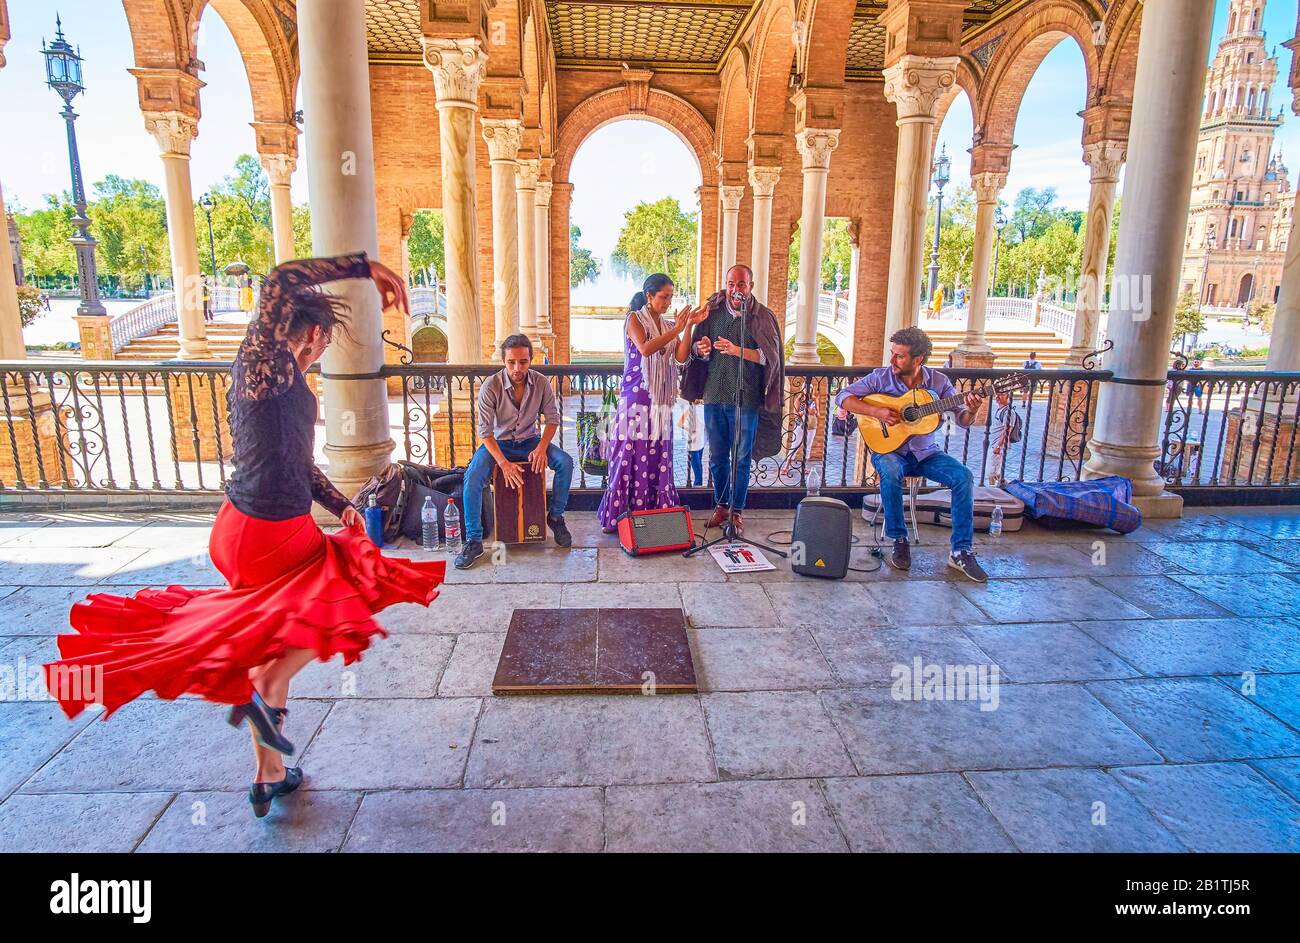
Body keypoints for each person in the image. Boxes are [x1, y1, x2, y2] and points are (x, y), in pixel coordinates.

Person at [42, 253, 446, 817]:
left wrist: (341, 506)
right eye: (325, 341)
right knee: (350, 581)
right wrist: (366, 267)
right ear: (312, 334)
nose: (323, 351)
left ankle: (268, 772)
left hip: (245, 527)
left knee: (269, 642)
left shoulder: (281, 383)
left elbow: (299, 464)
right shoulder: (264, 365)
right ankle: (263, 693)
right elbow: (281, 279)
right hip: (270, 532)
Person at [834, 325, 989, 582]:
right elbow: (843, 397)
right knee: (891, 470)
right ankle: (899, 539)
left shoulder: (939, 383)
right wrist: (877, 412)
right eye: (892, 353)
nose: (892, 360)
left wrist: (972, 410)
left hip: (925, 453)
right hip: (889, 450)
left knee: (963, 476)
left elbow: (962, 420)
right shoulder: (880, 378)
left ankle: (960, 551)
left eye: (899, 356)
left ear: (918, 360)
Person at [680, 264, 784, 537]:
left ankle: (737, 511)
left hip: (746, 399)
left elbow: (770, 357)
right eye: (731, 284)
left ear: (751, 286)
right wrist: (700, 349)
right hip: (714, 396)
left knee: (741, 459)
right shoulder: (712, 313)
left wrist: (738, 350)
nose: (735, 289)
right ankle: (721, 505)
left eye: (741, 284)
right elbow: (696, 351)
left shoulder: (762, 317)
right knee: (717, 457)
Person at [596, 274, 705, 532]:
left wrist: (688, 326)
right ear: (649, 296)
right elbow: (645, 349)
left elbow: (680, 358)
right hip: (636, 397)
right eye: (663, 297)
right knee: (627, 454)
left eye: (670, 297)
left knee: (657, 456)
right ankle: (617, 516)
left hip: (660, 399)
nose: (668, 302)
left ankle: (651, 516)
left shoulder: (668, 325)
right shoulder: (634, 319)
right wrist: (677, 329)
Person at [457, 334, 574, 568]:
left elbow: (552, 420)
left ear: (531, 360)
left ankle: (555, 517)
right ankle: (474, 540)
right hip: (498, 444)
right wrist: (502, 463)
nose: (517, 368)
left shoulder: (541, 382)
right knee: (473, 476)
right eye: (511, 362)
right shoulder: (491, 386)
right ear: (503, 361)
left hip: (530, 441)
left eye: (523, 362)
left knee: (565, 462)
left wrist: (541, 448)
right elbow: (485, 432)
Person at [678, 398, 706, 487]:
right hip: (698, 442)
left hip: (695, 442)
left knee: (697, 468)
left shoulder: (692, 408)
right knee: (698, 467)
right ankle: (698, 486)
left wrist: (690, 429)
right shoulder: (703, 409)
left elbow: (680, 424)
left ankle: (697, 486)